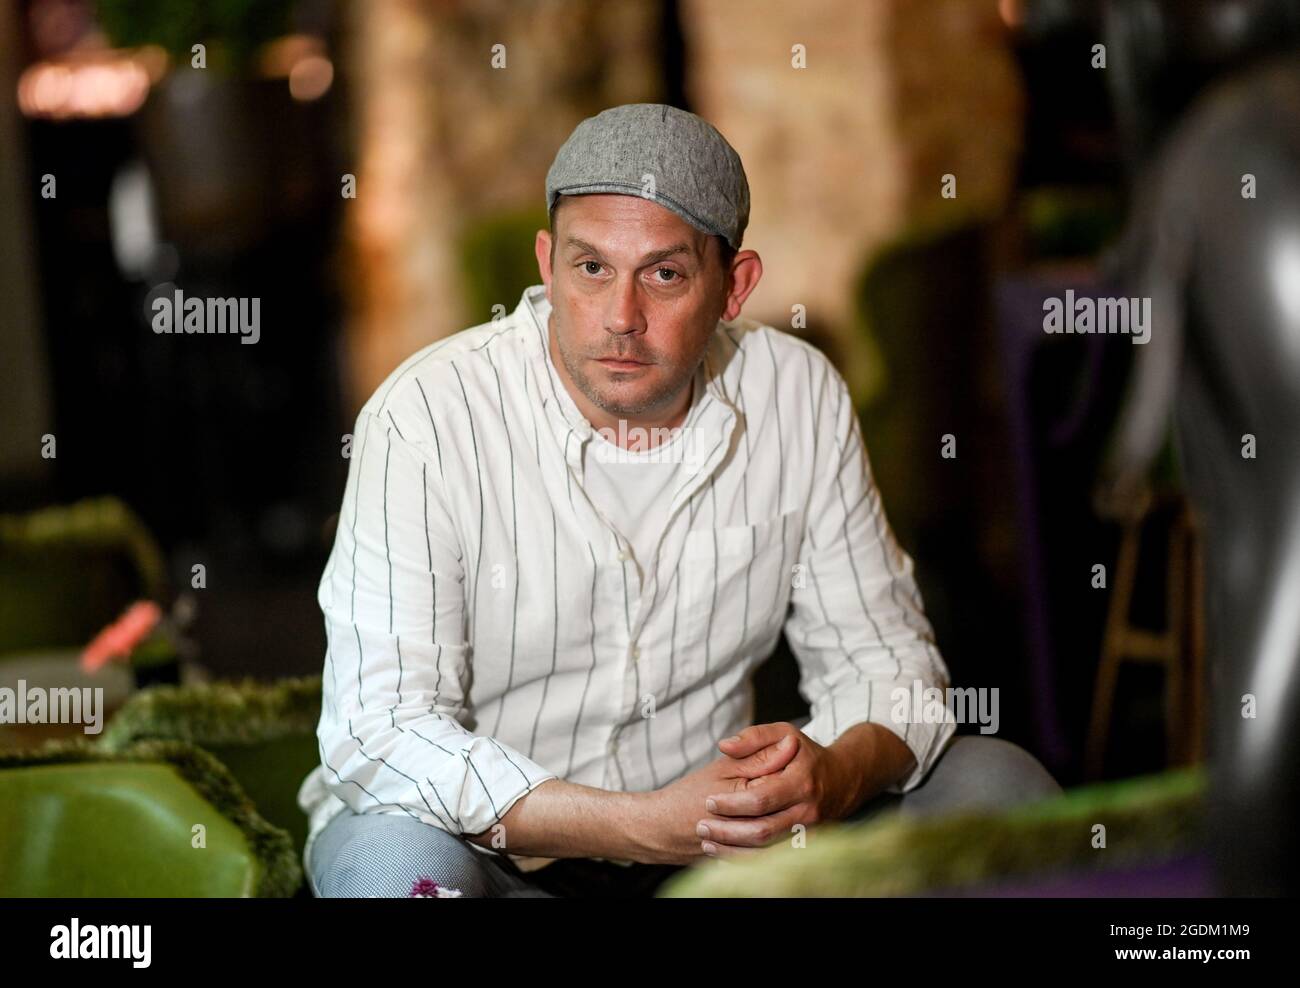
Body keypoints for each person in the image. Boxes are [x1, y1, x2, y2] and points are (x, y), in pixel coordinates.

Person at [298, 103, 1061, 898]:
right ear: (546, 263)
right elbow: (379, 734)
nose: (621, 318)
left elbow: (891, 665)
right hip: (490, 854)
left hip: (719, 851)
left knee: (997, 782)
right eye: (591, 268)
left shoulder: (796, 395)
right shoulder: (426, 416)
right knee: (396, 871)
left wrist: (830, 777)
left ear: (735, 286)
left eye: (665, 274)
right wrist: (638, 822)